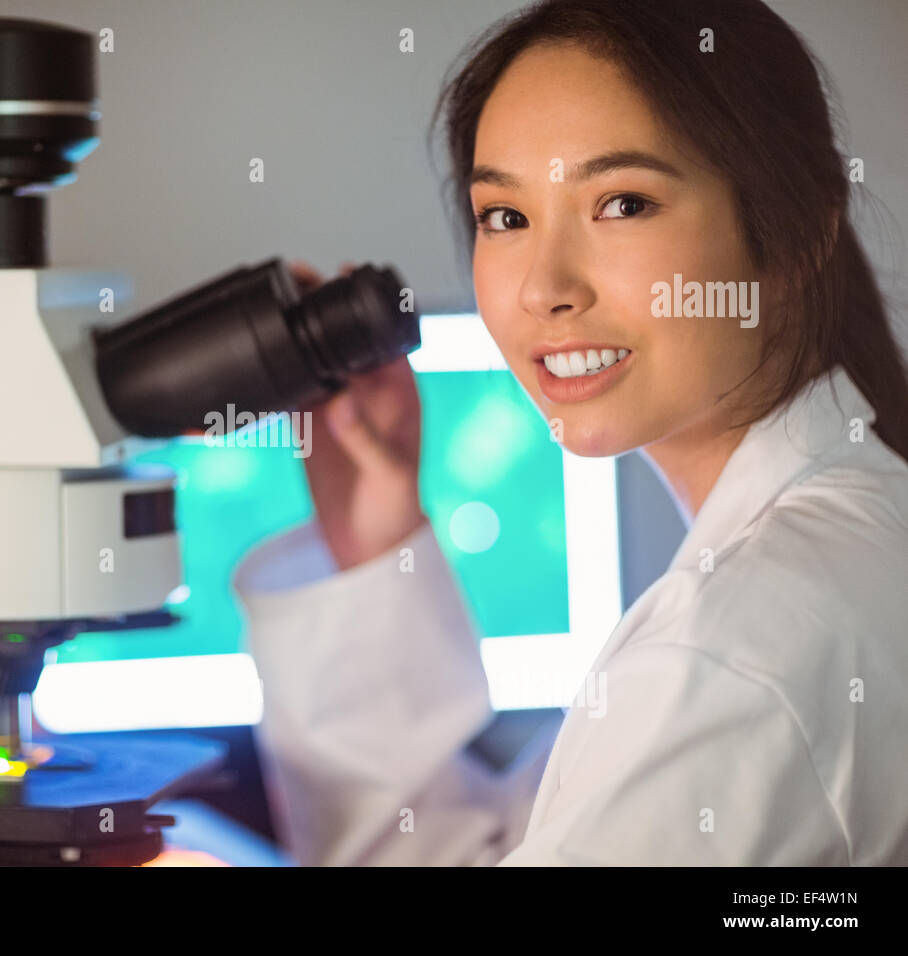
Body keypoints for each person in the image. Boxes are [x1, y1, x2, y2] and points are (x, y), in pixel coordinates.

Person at [231, 0, 908, 865]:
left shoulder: (726, 661)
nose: (544, 288)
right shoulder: (834, 537)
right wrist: (368, 529)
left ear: (800, 232)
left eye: (622, 203)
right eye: (504, 217)